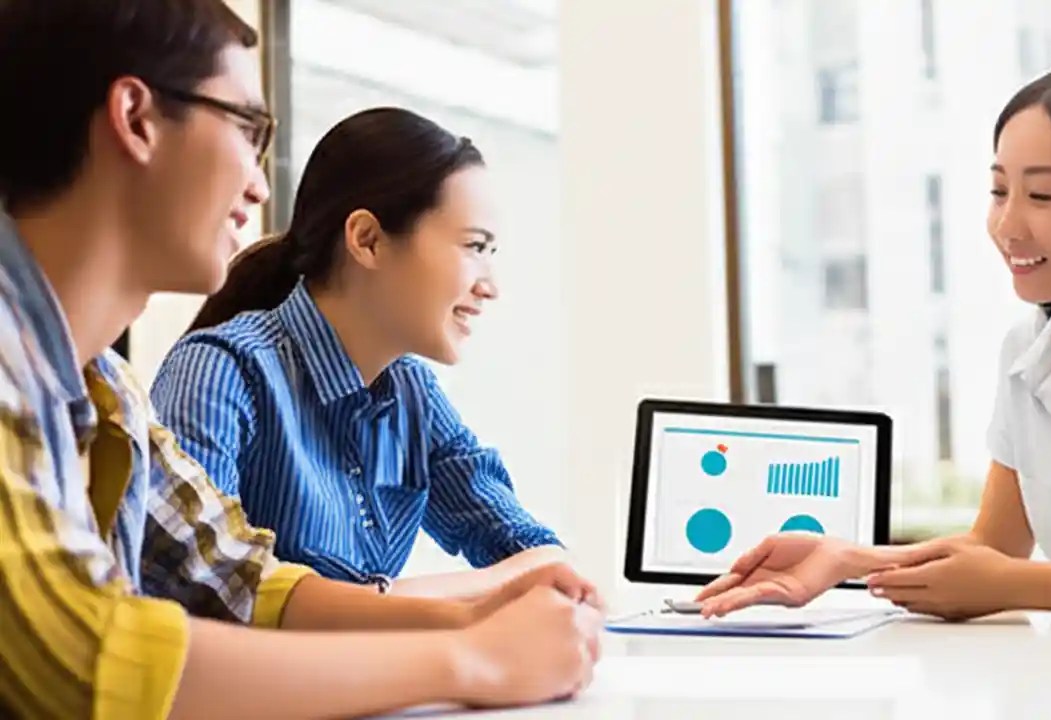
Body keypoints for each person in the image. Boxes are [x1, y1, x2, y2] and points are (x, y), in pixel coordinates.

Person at [0, 2, 601, 717]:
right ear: (136, 118)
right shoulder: (186, 366)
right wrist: (468, 658)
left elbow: (240, 579)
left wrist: (479, 617)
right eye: (248, 128)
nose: (259, 187)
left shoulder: (105, 383)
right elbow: (88, 655)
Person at [697, 60, 1051, 627]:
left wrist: (1034, 585)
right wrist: (851, 560)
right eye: (1000, 191)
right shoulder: (1028, 354)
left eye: (1043, 197)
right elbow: (992, 550)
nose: (1009, 225)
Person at [149, 106, 577, 599]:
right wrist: (474, 590)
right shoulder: (219, 373)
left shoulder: (411, 391)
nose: (490, 287)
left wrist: (542, 574)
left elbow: (533, 556)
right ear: (367, 241)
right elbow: (203, 594)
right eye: (473, 247)